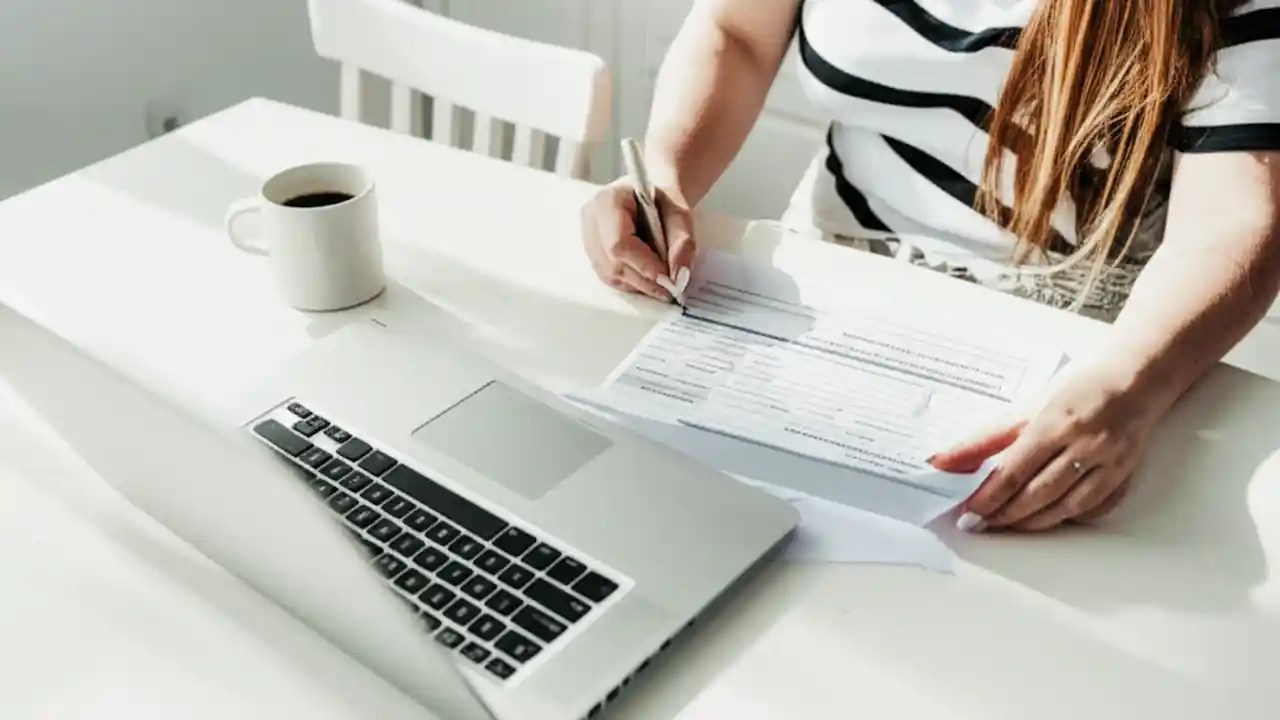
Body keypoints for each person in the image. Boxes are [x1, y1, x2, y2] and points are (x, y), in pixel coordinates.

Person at [579, 0, 1280, 532]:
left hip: (1072, 349)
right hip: (825, 275)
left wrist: (1127, 387)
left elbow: (1232, 222)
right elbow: (736, 33)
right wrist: (665, 175)